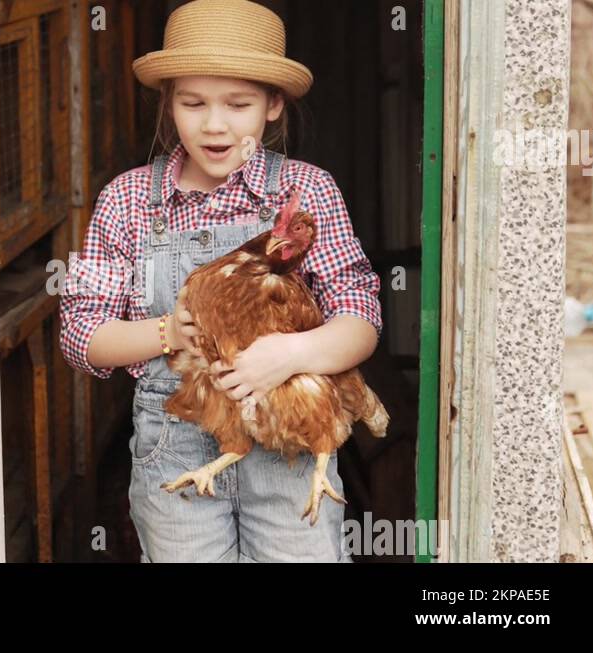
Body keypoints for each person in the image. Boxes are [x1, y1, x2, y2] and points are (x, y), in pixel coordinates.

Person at [59, 0, 382, 562]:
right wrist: (171, 334)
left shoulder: (307, 191)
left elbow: (361, 319)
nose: (214, 124)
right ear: (169, 103)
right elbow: (81, 337)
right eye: (192, 102)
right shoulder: (127, 199)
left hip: (292, 443)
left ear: (273, 105)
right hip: (176, 445)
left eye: (238, 104)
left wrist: (290, 354)